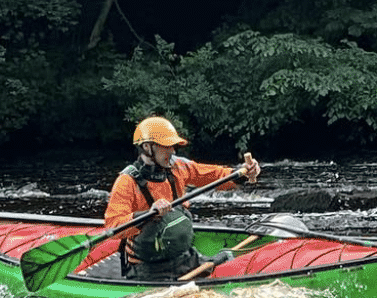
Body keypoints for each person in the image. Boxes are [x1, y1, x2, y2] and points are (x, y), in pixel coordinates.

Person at [103, 116, 261, 281]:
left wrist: (241, 173)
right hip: (148, 268)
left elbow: (213, 175)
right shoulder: (127, 181)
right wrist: (147, 214)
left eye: (172, 146)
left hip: (184, 258)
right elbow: (113, 226)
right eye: (166, 146)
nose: (172, 151)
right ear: (147, 147)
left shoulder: (177, 166)